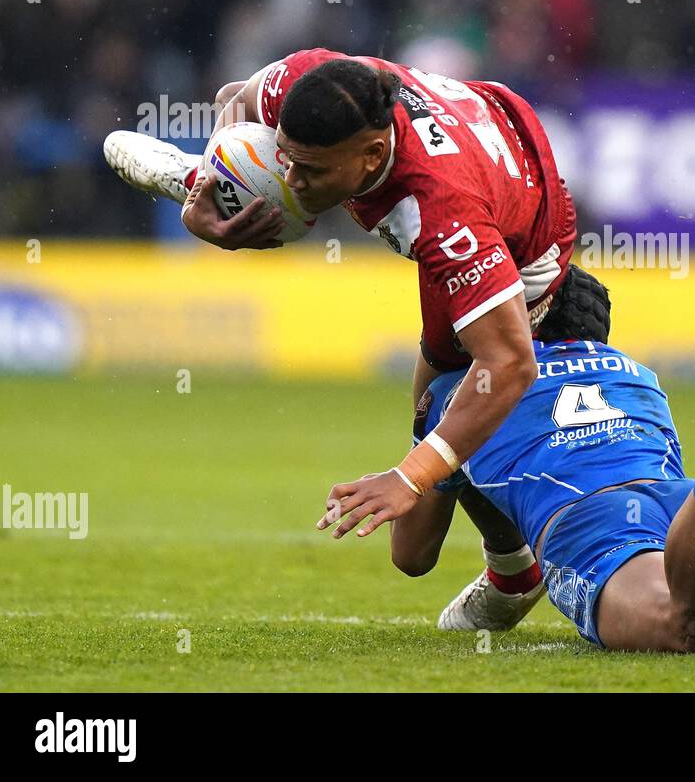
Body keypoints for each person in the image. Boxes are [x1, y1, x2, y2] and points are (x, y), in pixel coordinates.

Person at [104, 48, 580, 626]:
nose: (291, 182)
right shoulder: (311, 80)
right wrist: (208, 183)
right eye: (285, 161)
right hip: (476, 141)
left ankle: (516, 569)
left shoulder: (443, 212)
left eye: (311, 172)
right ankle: (514, 565)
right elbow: (235, 98)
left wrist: (409, 478)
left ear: (373, 154)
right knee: (429, 479)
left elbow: (509, 364)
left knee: (417, 537)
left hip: (524, 239)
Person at [317, 303, 695, 653]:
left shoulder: (465, 394)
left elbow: (413, 556)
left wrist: (429, 446)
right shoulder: (636, 372)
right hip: (683, 507)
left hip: (592, 524)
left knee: (687, 628)